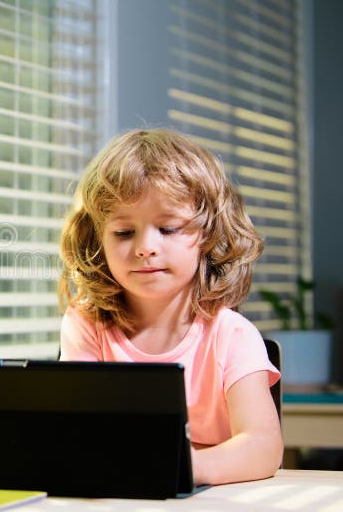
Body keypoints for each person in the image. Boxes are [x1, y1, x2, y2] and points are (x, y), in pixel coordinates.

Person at [58, 129, 283, 486]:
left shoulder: (232, 336)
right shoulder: (86, 325)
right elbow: (78, 431)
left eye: (168, 228)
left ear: (206, 235)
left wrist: (180, 466)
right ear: (97, 240)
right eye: (123, 232)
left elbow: (264, 446)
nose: (146, 247)